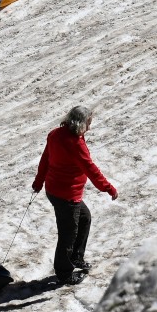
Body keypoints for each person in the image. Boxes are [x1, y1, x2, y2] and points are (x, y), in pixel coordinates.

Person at [32, 105, 117, 284]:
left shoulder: (55, 134)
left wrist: (39, 182)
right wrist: (108, 188)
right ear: (81, 123)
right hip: (66, 195)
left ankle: (76, 257)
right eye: (89, 122)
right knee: (68, 234)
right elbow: (91, 169)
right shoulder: (75, 143)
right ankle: (64, 273)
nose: (90, 127)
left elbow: (45, 158)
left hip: (55, 190)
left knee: (84, 219)